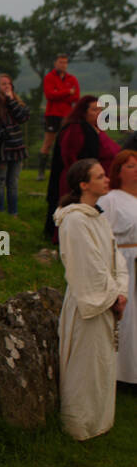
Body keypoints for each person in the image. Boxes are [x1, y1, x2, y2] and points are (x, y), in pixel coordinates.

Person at [54, 160, 129, 440]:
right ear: (84, 184)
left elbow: (115, 258)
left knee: (101, 363)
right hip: (90, 302)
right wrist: (111, 296)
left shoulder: (95, 217)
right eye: (99, 176)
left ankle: (99, 420)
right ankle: (79, 426)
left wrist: (120, 292)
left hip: (106, 299)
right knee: (85, 367)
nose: (107, 179)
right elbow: (86, 265)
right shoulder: (74, 220)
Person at [44, 96, 121, 239]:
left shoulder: (94, 128)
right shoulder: (75, 128)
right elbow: (69, 156)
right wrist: (84, 178)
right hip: (79, 180)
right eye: (94, 109)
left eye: (100, 109)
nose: (99, 112)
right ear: (83, 112)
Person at [99, 150, 137, 389]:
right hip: (124, 260)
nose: (136, 170)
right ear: (119, 171)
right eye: (131, 166)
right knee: (129, 316)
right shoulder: (110, 199)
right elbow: (102, 234)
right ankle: (124, 374)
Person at [0, 73, 30, 215]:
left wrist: (12, 100)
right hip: (1, 149)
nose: (7, 86)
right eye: (3, 84)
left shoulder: (16, 103)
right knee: (0, 181)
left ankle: (13, 213)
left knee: (13, 183)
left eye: (9, 84)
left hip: (17, 148)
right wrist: (4, 134)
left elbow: (23, 117)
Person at [38, 54, 80, 180]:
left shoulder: (72, 79)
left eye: (65, 62)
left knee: (66, 142)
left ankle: (63, 170)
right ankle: (41, 172)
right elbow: (50, 95)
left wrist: (59, 93)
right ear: (55, 63)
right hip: (52, 115)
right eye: (61, 62)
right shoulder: (49, 77)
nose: (63, 65)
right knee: (48, 143)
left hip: (67, 115)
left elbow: (76, 97)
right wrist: (67, 92)